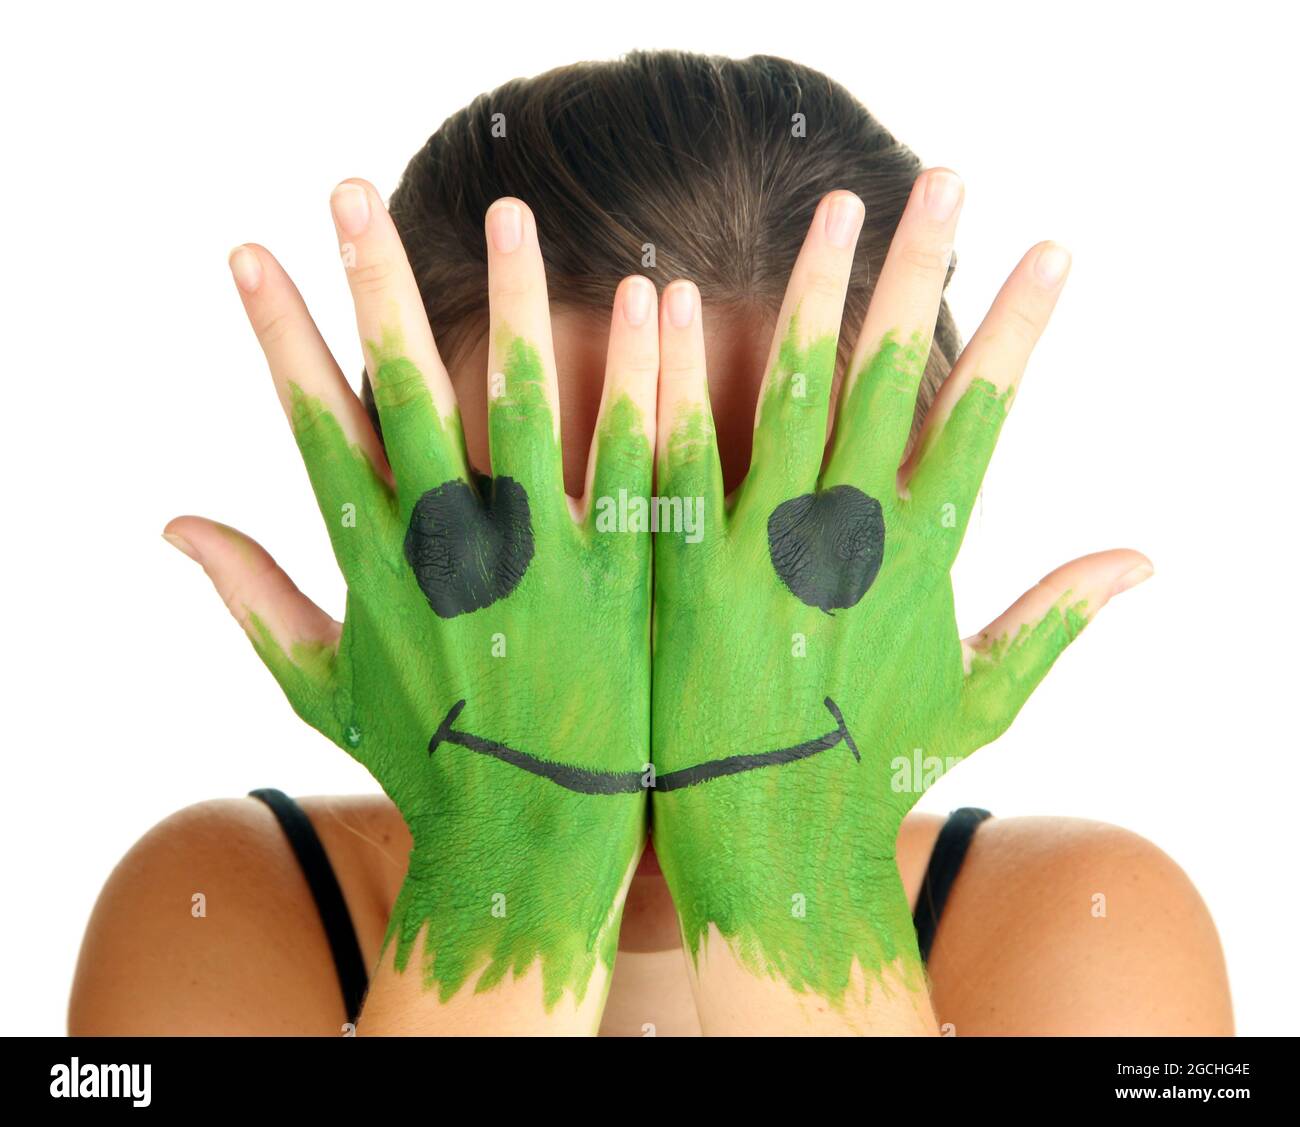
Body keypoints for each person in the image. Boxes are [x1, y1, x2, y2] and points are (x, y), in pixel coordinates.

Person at [68, 51, 1232, 1036]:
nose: (686, 652)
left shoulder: (1105, 919)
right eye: (559, 544)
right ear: (381, 515)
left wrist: (797, 897)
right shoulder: (208, 901)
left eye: (763, 546)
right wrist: (515, 872)